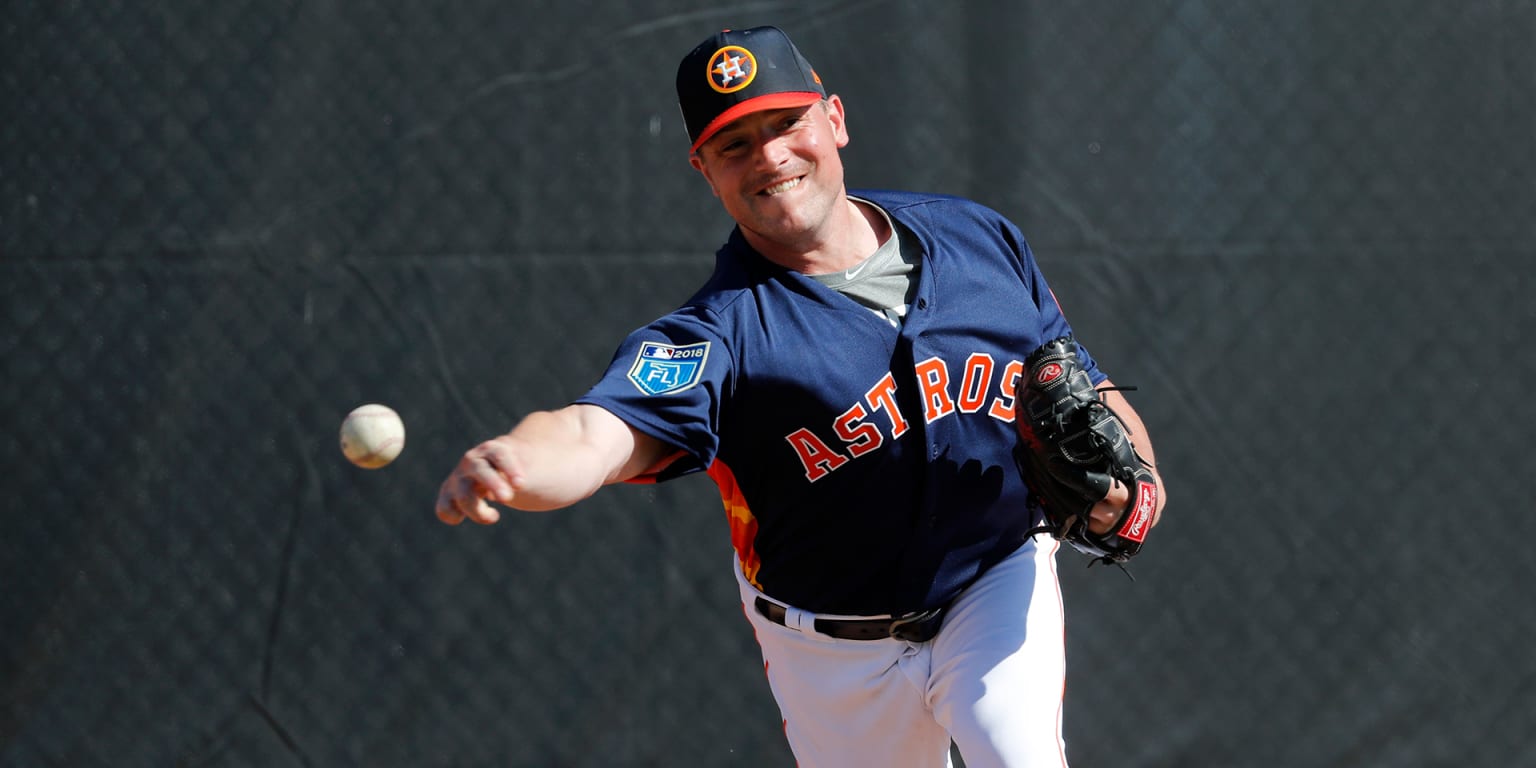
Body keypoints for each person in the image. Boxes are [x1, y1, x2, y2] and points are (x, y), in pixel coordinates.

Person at [435, 25, 1166, 768]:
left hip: (994, 580)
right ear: (704, 170)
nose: (771, 156)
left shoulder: (978, 239)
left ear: (834, 119)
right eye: (734, 145)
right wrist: (517, 460)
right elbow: (594, 433)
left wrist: (1139, 480)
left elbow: (1084, 382)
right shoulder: (718, 335)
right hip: (833, 651)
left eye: (786, 123)